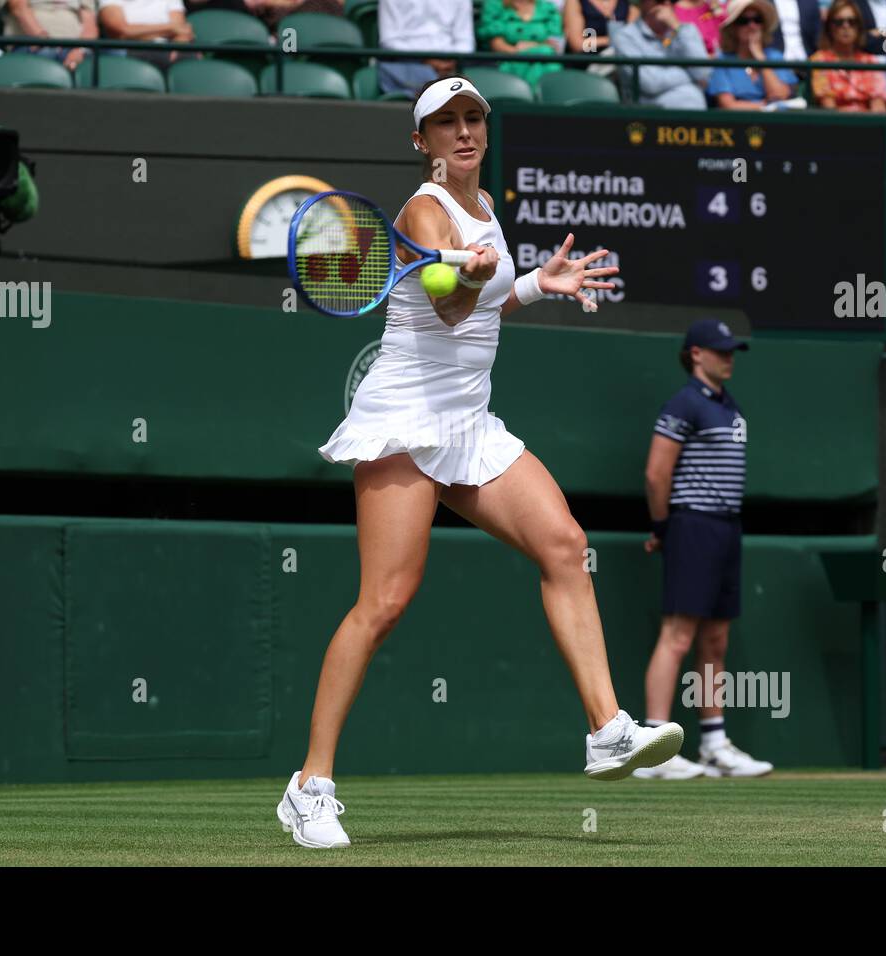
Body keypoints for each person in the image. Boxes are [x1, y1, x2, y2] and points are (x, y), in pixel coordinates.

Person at [277, 75, 684, 849]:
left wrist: (534, 282)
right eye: (446, 122)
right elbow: (450, 306)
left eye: (473, 119)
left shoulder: (485, 209)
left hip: (468, 422)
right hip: (405, 423)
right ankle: (310, 786)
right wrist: (462, 277)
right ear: (421, 141)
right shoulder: (425, 211)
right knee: (385, 601)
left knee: (565, 544)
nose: (463, 131)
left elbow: (485, 302)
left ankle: (607, 729)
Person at [636, 319, 773, 781]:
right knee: (677, 635)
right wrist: (664, 527)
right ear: (696, 354)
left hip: (727, 529)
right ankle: (654, 748)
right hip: (691, 524)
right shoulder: (684, 403)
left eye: (732, 350)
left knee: (716, 641)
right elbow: (657, 473)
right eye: (720, 350)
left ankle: (714, 744)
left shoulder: (729, 406)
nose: (729, 356)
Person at [609, 0, 711, 108]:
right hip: (650, 117)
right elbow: (651, 84)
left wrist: (677, 29)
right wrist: (690, 74)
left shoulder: (686, 30)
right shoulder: (625, 36)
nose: (667, 4)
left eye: (672, 0)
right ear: (643, 3)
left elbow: (703, 73)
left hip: (696, 119)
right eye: (659, 0)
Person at [706, 0, 798, 109]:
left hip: (775, 123)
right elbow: (728, 104)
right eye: (744, 21)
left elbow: (780, 95)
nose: (752, 26)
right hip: (737, 123)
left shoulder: (774, 56)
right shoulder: (723, 61)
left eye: (757, 20)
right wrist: (764, 106)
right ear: (733, 28)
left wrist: (760, 58)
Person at [377, 0, 475, 97]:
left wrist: (448, 61)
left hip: (452, 62)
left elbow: (465, 42)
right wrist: (426, 59)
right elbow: (389, 41)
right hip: (408, 61)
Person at [809, 0, 886, 110]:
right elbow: (828, 107)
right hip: (836, 125)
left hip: (870, 125)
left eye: (852, 22)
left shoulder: (871, 61)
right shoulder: (819, 60)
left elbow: (879, 107)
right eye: (839, 22)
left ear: (859, 27)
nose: (846, 26)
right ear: (829, 27)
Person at [477, 0, 565, 87]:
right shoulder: (496, 4)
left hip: (544, 61)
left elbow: (555, 45)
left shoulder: (548, 8)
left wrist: (529, 47)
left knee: (546, 56)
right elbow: (497, 44)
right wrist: (521, 52)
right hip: (509, 60)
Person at [0, 0, 99, 71]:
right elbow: (18, 8)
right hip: (32, 46)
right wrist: (44, 41)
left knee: (93, 67)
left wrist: (80, 50)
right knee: (47, 55)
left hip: (74, 49)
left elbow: (90, 23)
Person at [97, 0, 195, 69]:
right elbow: (121, 31)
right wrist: (171, 28)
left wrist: (178, 45)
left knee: (188, 58)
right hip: (129, 51)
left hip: (167, 49)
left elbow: (181, 29)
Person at [562, 0, 639, 56]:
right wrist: (611, 40)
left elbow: (635, 41)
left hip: (618, 67)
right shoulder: (575, 2)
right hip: (583, 68)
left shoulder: (629, 6)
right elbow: (577, 45)